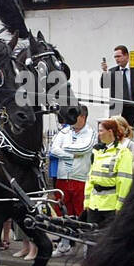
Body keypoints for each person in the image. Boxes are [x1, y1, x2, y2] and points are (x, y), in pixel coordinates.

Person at [49, 110, 94, 256]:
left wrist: (64, 149)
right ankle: (64, 244)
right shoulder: (64, 131)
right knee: (63, 213)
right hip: (63, 177)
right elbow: (53, 149)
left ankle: (87, 246)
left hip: (80, 178)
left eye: (75, 116)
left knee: (82, 213)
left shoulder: (90, 132)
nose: (71, 119)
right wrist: (71, 155)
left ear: (83, 117)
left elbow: (85, 148)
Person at [82, 119, 133, 229]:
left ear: (110, 132)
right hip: (94, 205)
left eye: (101, 131)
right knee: (91, 238)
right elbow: (90, 178)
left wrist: (120, 205)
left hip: (111, 206)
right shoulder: (98, 151)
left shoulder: (123, 153)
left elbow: (124, 181)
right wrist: (87, 201)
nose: (99, 134)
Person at [99, 45, 134, 126]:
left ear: (126, 56)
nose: (116, 59)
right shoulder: (113, 71)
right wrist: (104, 71)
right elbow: (104, 85)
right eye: (115, 57)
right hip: (120, 111)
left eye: (119, 56)